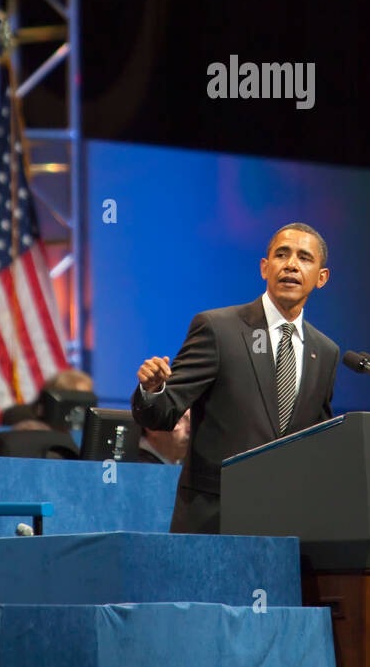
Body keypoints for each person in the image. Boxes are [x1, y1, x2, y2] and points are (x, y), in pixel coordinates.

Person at [132, 222, 339, 534]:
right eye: (282, 255)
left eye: (304, 258)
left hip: (286, 525)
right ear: (265, 268)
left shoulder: (325, 351)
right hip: (215, 521)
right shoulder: (218, 329)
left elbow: (316, 440)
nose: (291, 265)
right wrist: (153, 389)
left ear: (321, 277)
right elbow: (162, 414)